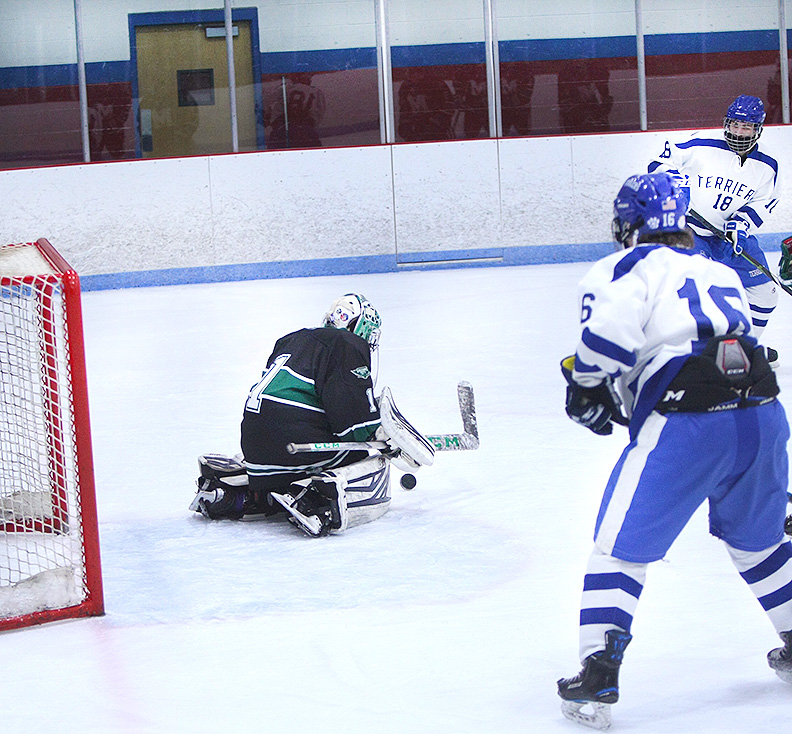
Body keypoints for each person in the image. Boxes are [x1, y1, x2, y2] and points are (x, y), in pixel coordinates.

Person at [557, 172, 792, 730]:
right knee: (760, 543)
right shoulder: (718, 269)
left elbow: (604, 343)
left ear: (630, 223)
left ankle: (598, 676)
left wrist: (586, 387)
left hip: (687, 421)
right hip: (762, 412)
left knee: (618, 551)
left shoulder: (623, 267)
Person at [189, 293, 433, 537]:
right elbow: (352, 418)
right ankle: (313, 500)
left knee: (274, 468)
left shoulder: (290, 340)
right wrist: (385, 440)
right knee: (362, 454)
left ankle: (232, 495)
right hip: (295, 437)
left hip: (254, 443)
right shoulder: (347, 344)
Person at [648, 94, 781, 352]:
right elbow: (659, 161)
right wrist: (675, 184)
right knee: (701, 289)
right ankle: (702, 351)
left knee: (766, 292)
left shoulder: (768, 165)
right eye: (734, 125)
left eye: (746, 127)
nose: (739, 132)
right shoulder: (700, 143)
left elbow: (765, 201)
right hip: (688, 232)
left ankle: (742, 350)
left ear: (758, 129)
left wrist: (741, 223)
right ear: (726, 123)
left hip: (729, 237)